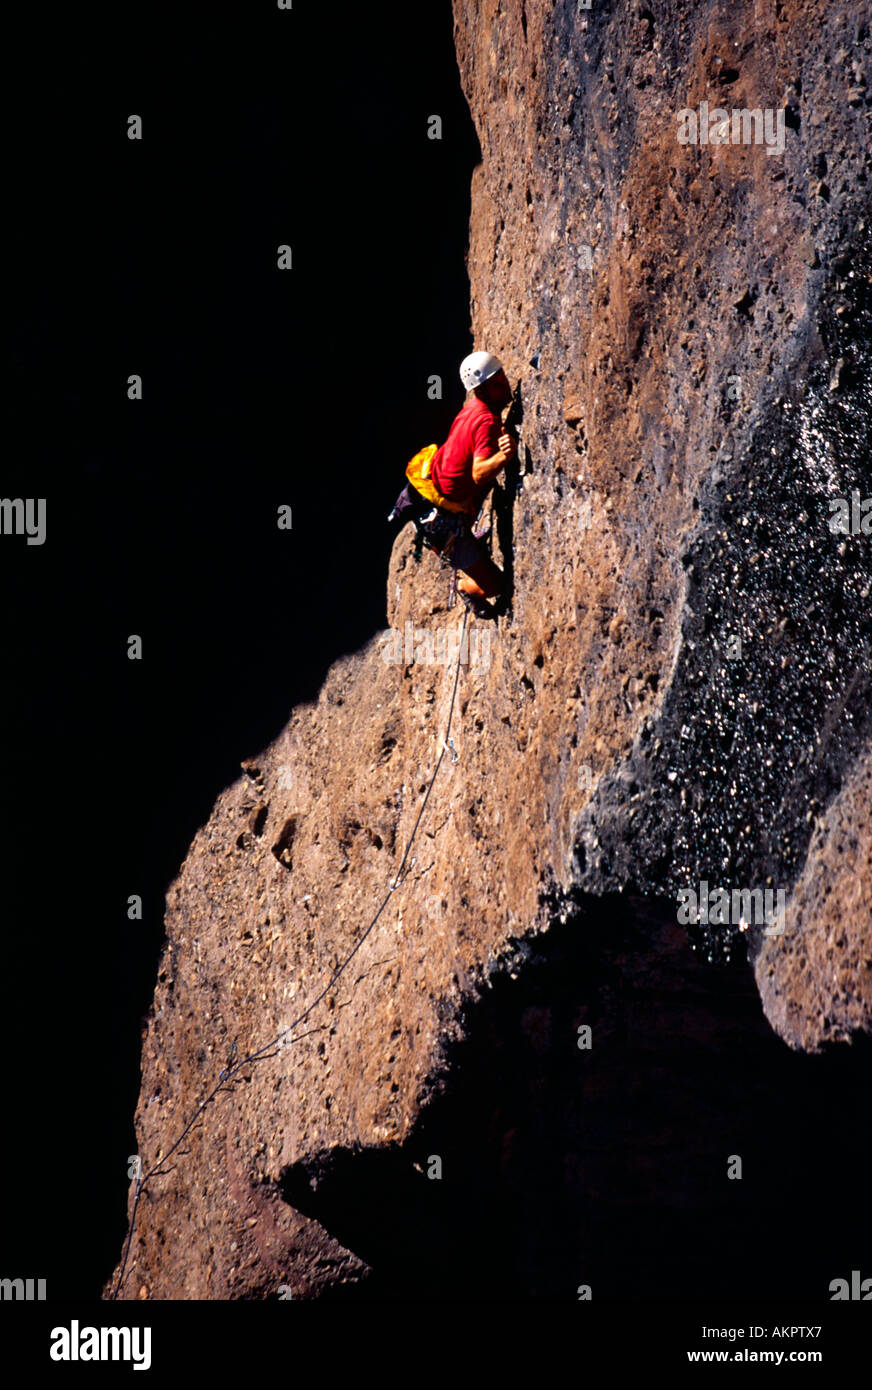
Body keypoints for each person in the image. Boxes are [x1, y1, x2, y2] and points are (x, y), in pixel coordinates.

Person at [419, 351, 517, 616]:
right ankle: (464, 585)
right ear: (482, 390)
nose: (506, 384)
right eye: (497, 383)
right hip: (443, 523)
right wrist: (504, 456)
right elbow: (478, 473)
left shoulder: (471, 409)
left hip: (439, 497)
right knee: (496, 586)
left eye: (502, 377)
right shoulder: (485, 419)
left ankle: (470, 541)